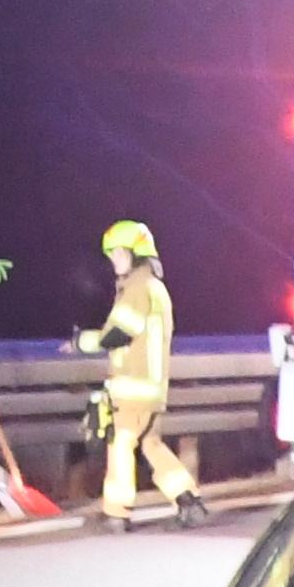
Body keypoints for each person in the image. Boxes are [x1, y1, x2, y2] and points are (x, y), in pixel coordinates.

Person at [69, 220, 197, 519]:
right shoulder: (153, 287)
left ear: (136, 254)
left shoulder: (138, 287)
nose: (114, 260)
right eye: (111, 254)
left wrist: (80, 341)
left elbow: (118, 333)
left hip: (134, 388)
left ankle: (117, 511)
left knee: (121, 442)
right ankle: (188, 498)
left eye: (119, 253)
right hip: (151, 388)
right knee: (151, 444)